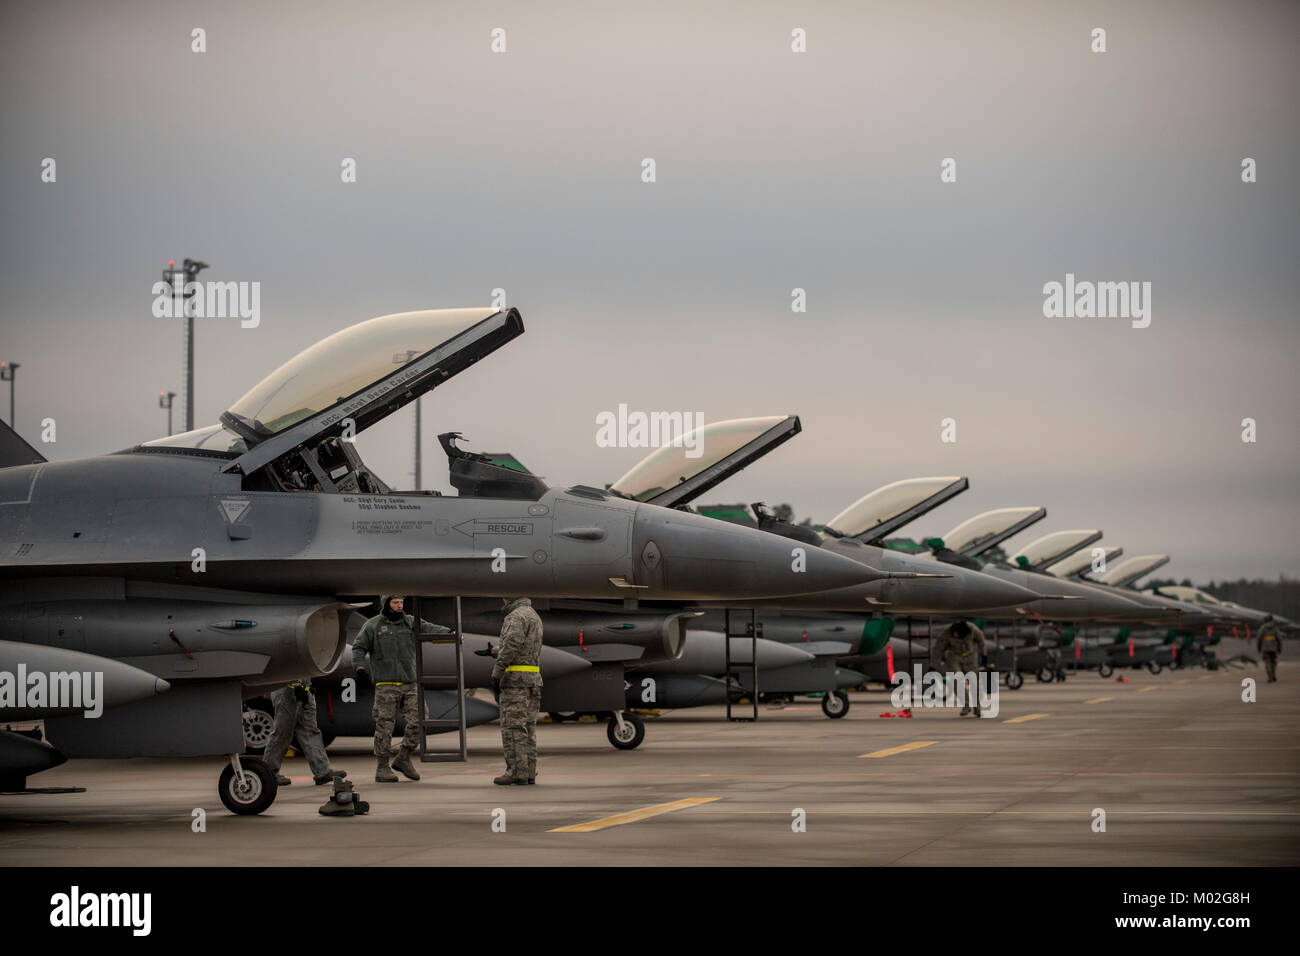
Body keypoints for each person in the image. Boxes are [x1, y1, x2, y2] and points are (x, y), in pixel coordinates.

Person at [353, 595, 453, 782]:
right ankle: (382, 767)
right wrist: (359, 668)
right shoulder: (373, 625)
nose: (399, 606)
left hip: (409, 683)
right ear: (386, 604)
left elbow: (429, 629)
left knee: (421, 719)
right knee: (385, 726)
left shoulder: (410, 622)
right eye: (395, 603)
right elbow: (358, 647)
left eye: (401, 602)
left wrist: (450, 632)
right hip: (386, 685)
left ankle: (404, 757)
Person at [484, 597, 544, 785]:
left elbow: (512, 645)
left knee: (513, 728)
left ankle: (516, 772)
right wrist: (494, 650)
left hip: (515, 683)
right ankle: (529, 772)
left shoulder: (515, 617)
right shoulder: (533, 615)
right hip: (532, 681)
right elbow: (523, 647)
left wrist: (497, 672)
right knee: (528, 728)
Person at [263, 678, 344, 787]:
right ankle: (269, 773)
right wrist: (296, 684)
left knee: (310, 731)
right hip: (289, 690)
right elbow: (289, 665)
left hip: (302, 690)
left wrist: (307, 686)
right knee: (283, 733)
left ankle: (322, 771)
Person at [933, 619, 988, 716]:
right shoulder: (947, 632)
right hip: (954, 657)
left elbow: (981, 641)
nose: (955, 636)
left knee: (974, 683)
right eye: (954, 634)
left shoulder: (973, 630)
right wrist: (933, 665)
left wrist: (984, 655)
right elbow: (938, 648)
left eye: (957, 635)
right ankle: (966, 706)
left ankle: (977, 707)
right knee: (956, 682)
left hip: (970, 657)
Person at [1257, 615, 1282, 683]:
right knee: (1273, 662)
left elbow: (1259, 638)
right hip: (1274, 648)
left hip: (1265, 648)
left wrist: (1259, 647)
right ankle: (1273, 675)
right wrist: (1279, 648)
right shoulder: (1275, 628)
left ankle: (1270, 676)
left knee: (1267, 662)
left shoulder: (1263, 628)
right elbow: (1279, 639)